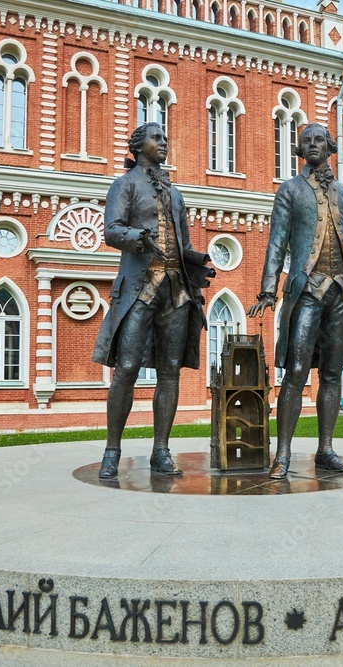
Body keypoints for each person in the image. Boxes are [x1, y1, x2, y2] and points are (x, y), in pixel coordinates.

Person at [247, 123, 343, 479]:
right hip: (307, 291)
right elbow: (277, 241)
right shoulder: (289, 190)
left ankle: (325, 449)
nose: (313, 145)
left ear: (330, 147)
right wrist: (268, 290)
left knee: (333, 375)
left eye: (319, 140)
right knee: (296, 372)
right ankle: (282, 454)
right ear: (299, 150)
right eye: (306, 141)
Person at [91, 122, 214, 479]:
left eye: (164, 138)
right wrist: (139, 238)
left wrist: (197, 259)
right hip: (139, 289)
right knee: (126, 369)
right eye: (156, 138)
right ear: (138, 145)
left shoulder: (175, 194)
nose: (164, 143)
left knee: (170, 371)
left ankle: (161, 450)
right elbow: (111, 230)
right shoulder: (125, 185)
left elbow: (183, 242)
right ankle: (112, 450)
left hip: (174, 290)